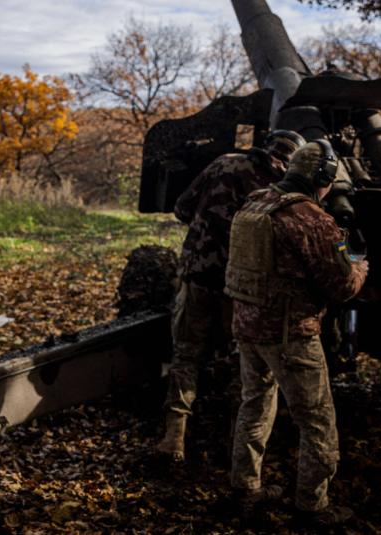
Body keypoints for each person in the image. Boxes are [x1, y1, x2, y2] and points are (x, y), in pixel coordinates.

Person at [225, 139, 368, 526]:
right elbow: (343, 287)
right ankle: (312, 506)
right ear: (321, 178)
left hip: (247, 325)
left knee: (254, 406)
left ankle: (246, 488)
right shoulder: (311, 219)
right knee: (318, 422)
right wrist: (359, 264)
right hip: (291, 335)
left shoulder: (256, 201)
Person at [155, 130, 304, 462]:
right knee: (243, 363)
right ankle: (235, 446)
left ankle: (173, 438)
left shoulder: (223, 163)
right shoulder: (282, 189)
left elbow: (182, 208)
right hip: (239, 288)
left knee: (187, 354)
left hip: (197, 274)